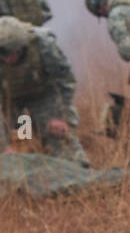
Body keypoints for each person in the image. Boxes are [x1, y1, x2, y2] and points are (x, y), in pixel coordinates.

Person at [0, 17, 88, 165]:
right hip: (11, 102)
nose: (6, 58)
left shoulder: (43, 44)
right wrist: (3, 146)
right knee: (19, 139)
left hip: (43, 96)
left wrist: (61, 116)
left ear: (21, 47)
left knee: (58, 133)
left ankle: (78, 169)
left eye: (9, 53)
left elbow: (63, 79)